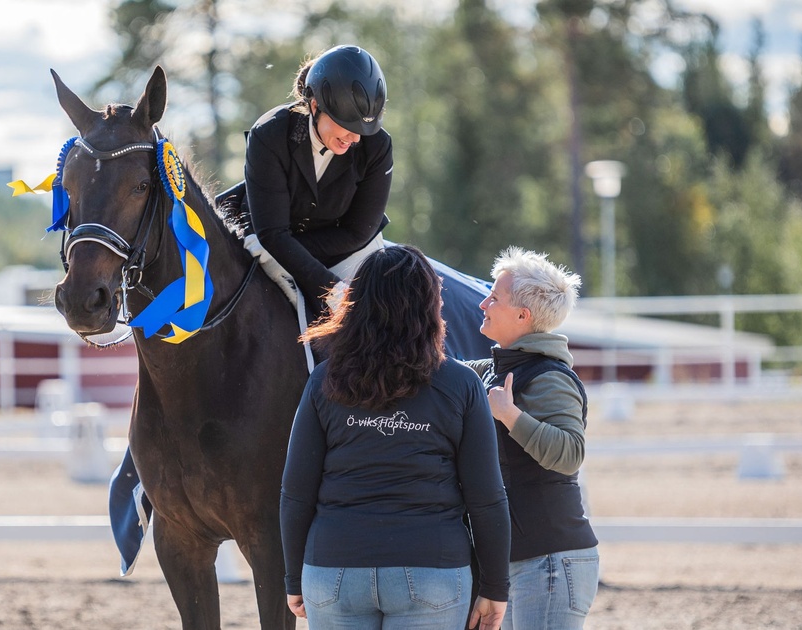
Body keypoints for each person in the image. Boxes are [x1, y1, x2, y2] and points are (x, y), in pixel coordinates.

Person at [280, 244, 511, 630]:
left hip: (334, 569)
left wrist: (292, 576)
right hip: (431, 569)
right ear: (428, 306)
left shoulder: (324, 380)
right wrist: (495, 586)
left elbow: (295, 491)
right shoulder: (461, 384)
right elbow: (486, 497)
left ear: (356, 305)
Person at [464, 246, 600, 630]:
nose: (482, 303)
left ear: (523, 316)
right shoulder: (498, 368)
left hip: (549, 562)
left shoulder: (549, 377)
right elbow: (443, 372)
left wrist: (510, 415)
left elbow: (571, 452)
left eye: (494, 297)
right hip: (530, 561)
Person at [236, 44, 393, 321]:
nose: (355, 139)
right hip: (268, 243)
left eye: (363, 130)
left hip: (349, 247)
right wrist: (329, 288)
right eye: (347, 125)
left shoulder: (377, 145)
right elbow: (273, 233)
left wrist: (328, 280)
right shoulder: (269, 134)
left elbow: (358, 232)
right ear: (315, 105)